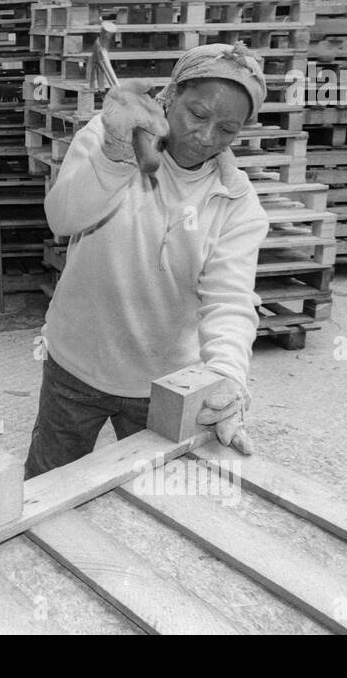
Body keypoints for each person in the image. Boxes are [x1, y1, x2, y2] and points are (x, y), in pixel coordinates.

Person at [24, 42, 271, 479]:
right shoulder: (111, 137)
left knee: (151, 501)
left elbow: (230, 300)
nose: (206, 136)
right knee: (47, 483)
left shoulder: (235, 200)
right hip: (76, 365)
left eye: (227, 129)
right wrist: (116, 157)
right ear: (171, 95)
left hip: (166, 384)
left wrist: (227, 376)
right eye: (197, 114)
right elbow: (62, 218)